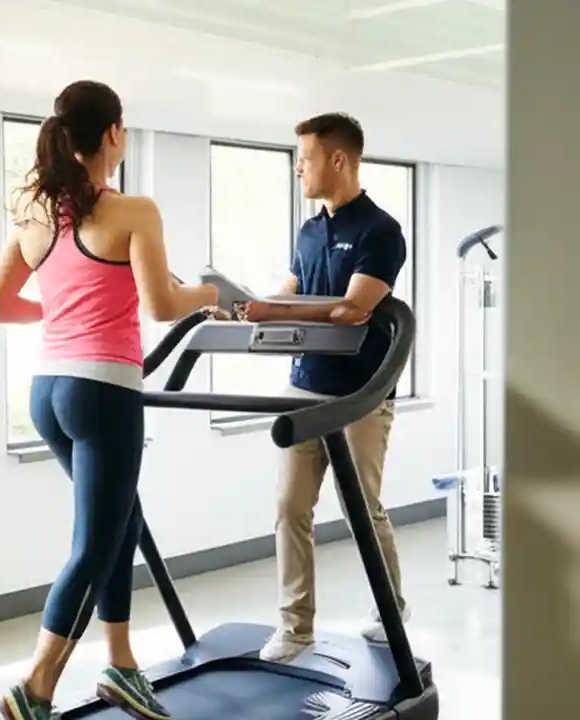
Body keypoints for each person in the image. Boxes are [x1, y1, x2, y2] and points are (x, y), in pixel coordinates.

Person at [0, 79, 221, 720]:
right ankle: (34, 687)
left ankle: (121, 664)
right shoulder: (133, 211)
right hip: (104, 391)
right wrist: (209, 292)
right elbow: (163, 304)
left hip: (48, 392)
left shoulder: (35, 210)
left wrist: (63, 307)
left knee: (120, 523)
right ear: (114, 133)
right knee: (93, 542)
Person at [243, 112, 409, 663]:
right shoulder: (310, 231)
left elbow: (353, 308)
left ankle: (391, 607)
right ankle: (295, 629)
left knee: (362, 505)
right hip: (304, 389)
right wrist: (252, 308)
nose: (299, 170)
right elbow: (292, 291)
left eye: (305, 158)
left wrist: (284, 307)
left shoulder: (381, 231)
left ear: (338, 160)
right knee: (289, 506)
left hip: (361, 395)